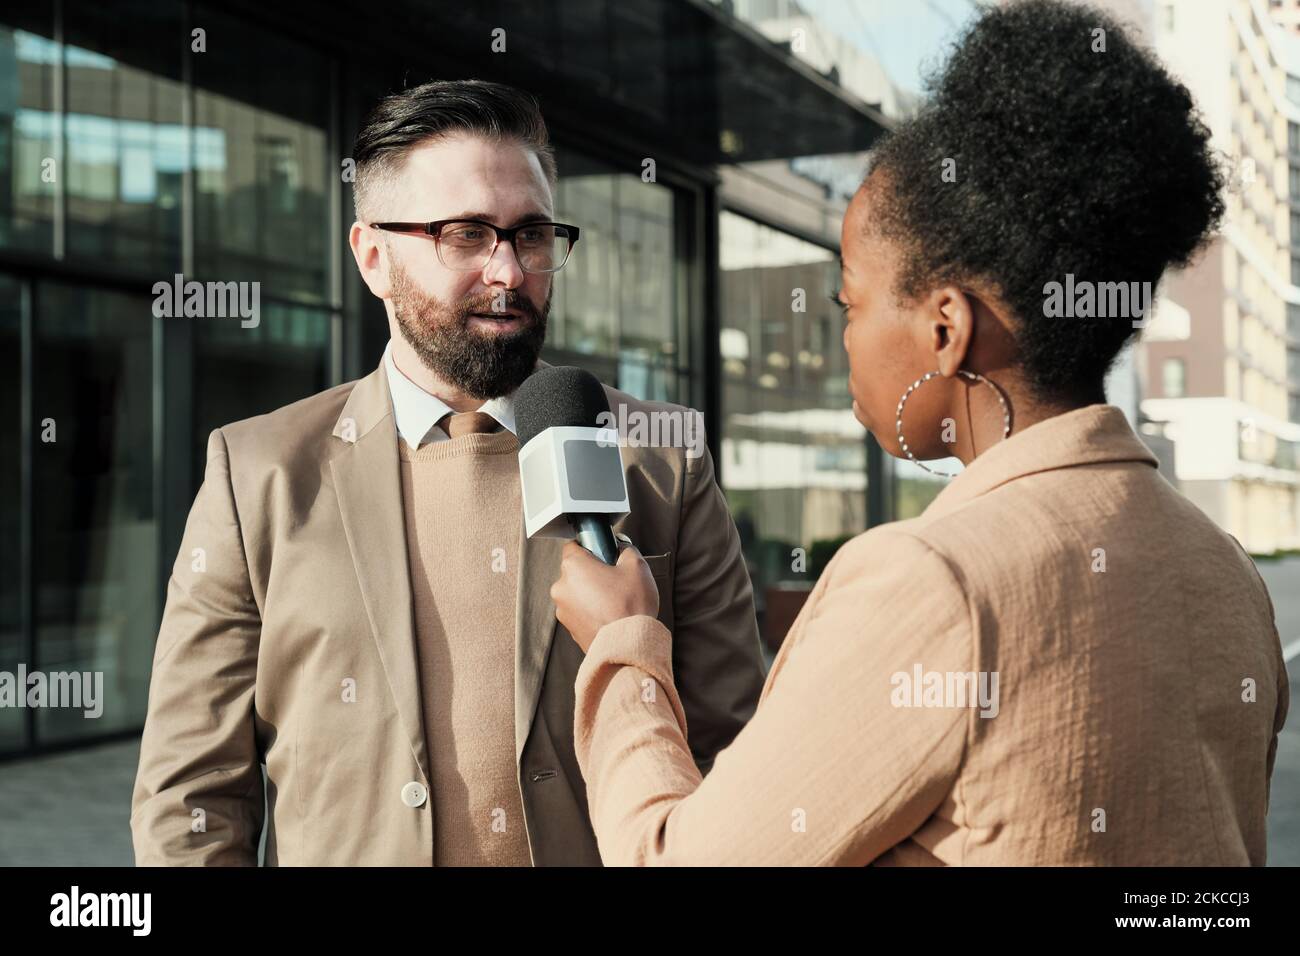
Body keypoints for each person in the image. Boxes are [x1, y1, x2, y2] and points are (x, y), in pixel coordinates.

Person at [550, 0, 1290, 865]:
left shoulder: (934, 584)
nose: (844, 339)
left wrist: (624, 650)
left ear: (947, 329)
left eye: (850, 302)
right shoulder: (1225, 570)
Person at [130, 79, 765, 866]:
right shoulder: (258, 472)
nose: (508, 271)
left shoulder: (661, 461)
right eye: (465, 234)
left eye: (531, 235)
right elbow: (192, 795)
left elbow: (735, 754)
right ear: (372, 257)